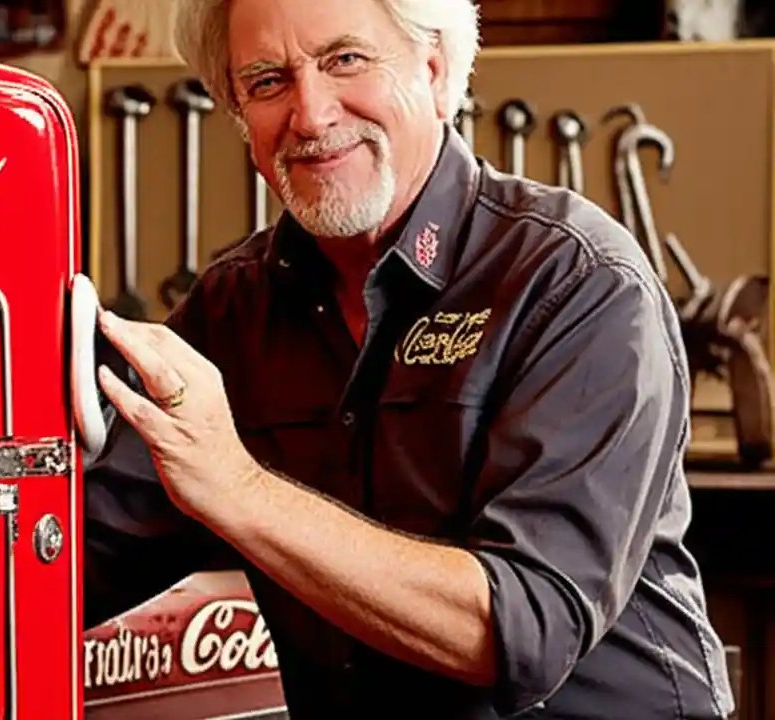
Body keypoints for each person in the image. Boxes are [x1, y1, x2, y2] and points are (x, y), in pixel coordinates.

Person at [82, 0, 736, 717]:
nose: (311, 114)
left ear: (433, 69)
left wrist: (237, 489)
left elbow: (520, 627)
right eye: (268, 81)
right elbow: (75, 565)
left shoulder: (576, 282)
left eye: (346, 60)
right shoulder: (232, 312)